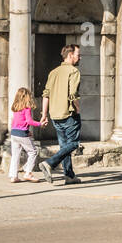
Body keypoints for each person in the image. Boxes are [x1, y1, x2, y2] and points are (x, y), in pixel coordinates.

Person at [38, 44, 83, 185]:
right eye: (78, 54)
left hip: (55, 115)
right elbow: (73, 94)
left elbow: (46, 94)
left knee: (65, 147)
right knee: (74, 143)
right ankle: (49, 163)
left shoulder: (53, 72)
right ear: (70, 55)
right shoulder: (73, 71)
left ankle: (69, 175)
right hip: (68, 114)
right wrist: (78, 108)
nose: (79, 57)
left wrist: (44, 114)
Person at [7, 87, 43, 183]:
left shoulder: (15, 107)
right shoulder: (27, 108)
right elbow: (29, 121)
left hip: (14, 133)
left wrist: (26, 130)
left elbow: (16, 121)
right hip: (22, 134)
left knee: (15, 155)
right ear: (26, 97)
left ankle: (13, 176)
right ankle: (28, 172)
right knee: (33, 152)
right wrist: (40, 124)